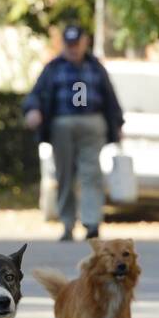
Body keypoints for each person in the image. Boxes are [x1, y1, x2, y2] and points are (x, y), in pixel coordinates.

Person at [22, 24, 123, 240]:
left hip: (92, 123)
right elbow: (36, 94)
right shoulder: (53, 68)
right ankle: (67, 223)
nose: (73, 49)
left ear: (84, 43)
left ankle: (91, 222)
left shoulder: (95, 66)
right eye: (69, 45)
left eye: (76, 44)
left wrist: (118, 124)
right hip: (62, 124)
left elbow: (110, 96)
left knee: (91, 174)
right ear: (63, 45)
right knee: (64, 175)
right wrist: (33, 110)